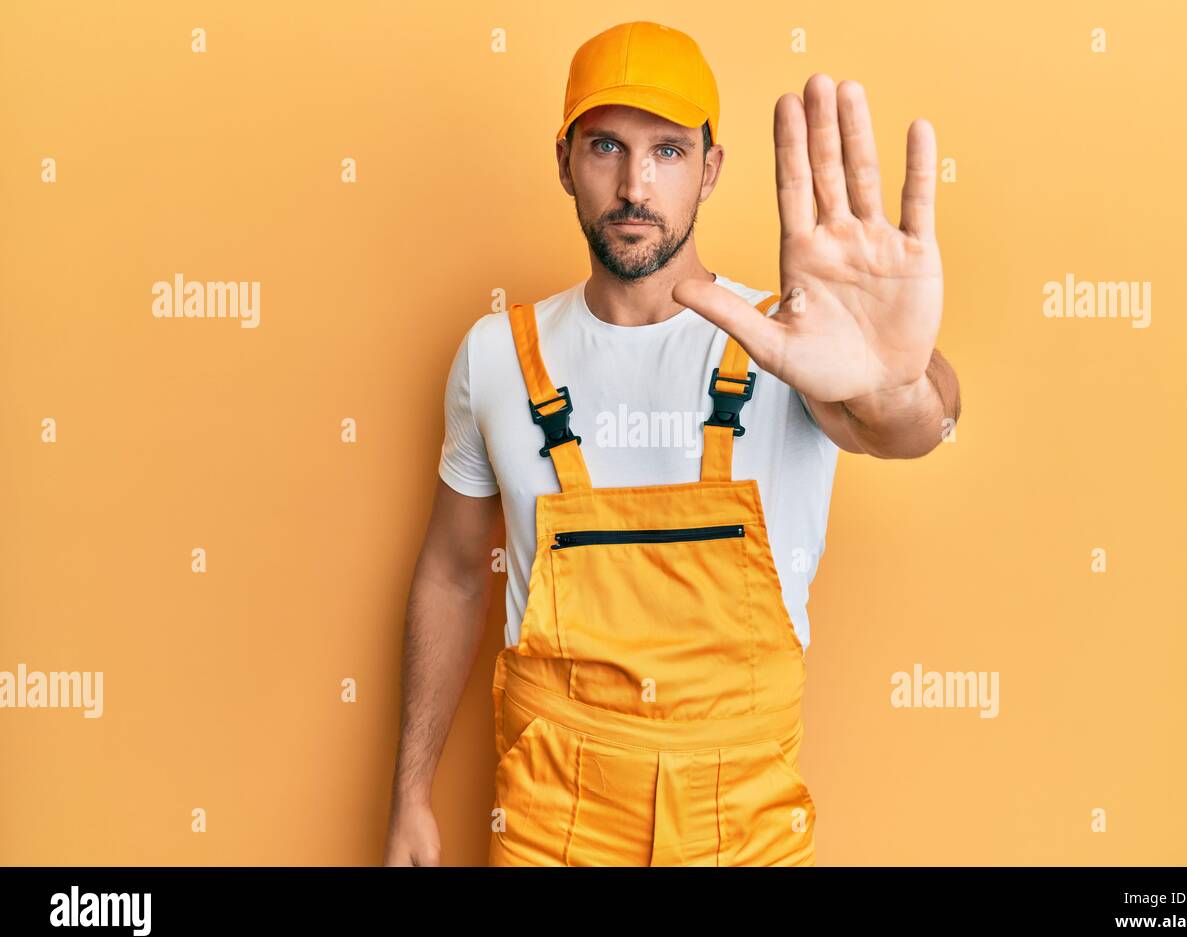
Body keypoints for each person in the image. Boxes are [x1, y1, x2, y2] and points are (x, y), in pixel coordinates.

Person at [384, 20, 960, 867]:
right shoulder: (497, 357)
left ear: (711, 169)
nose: (633, 184)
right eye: (606, 146)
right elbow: (450, 570)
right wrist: (410, 794)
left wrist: (890, 381)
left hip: (747, 825)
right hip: (551, 822)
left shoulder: (796, 342)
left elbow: (916, 427)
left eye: (667, 151)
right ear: (563, 162)